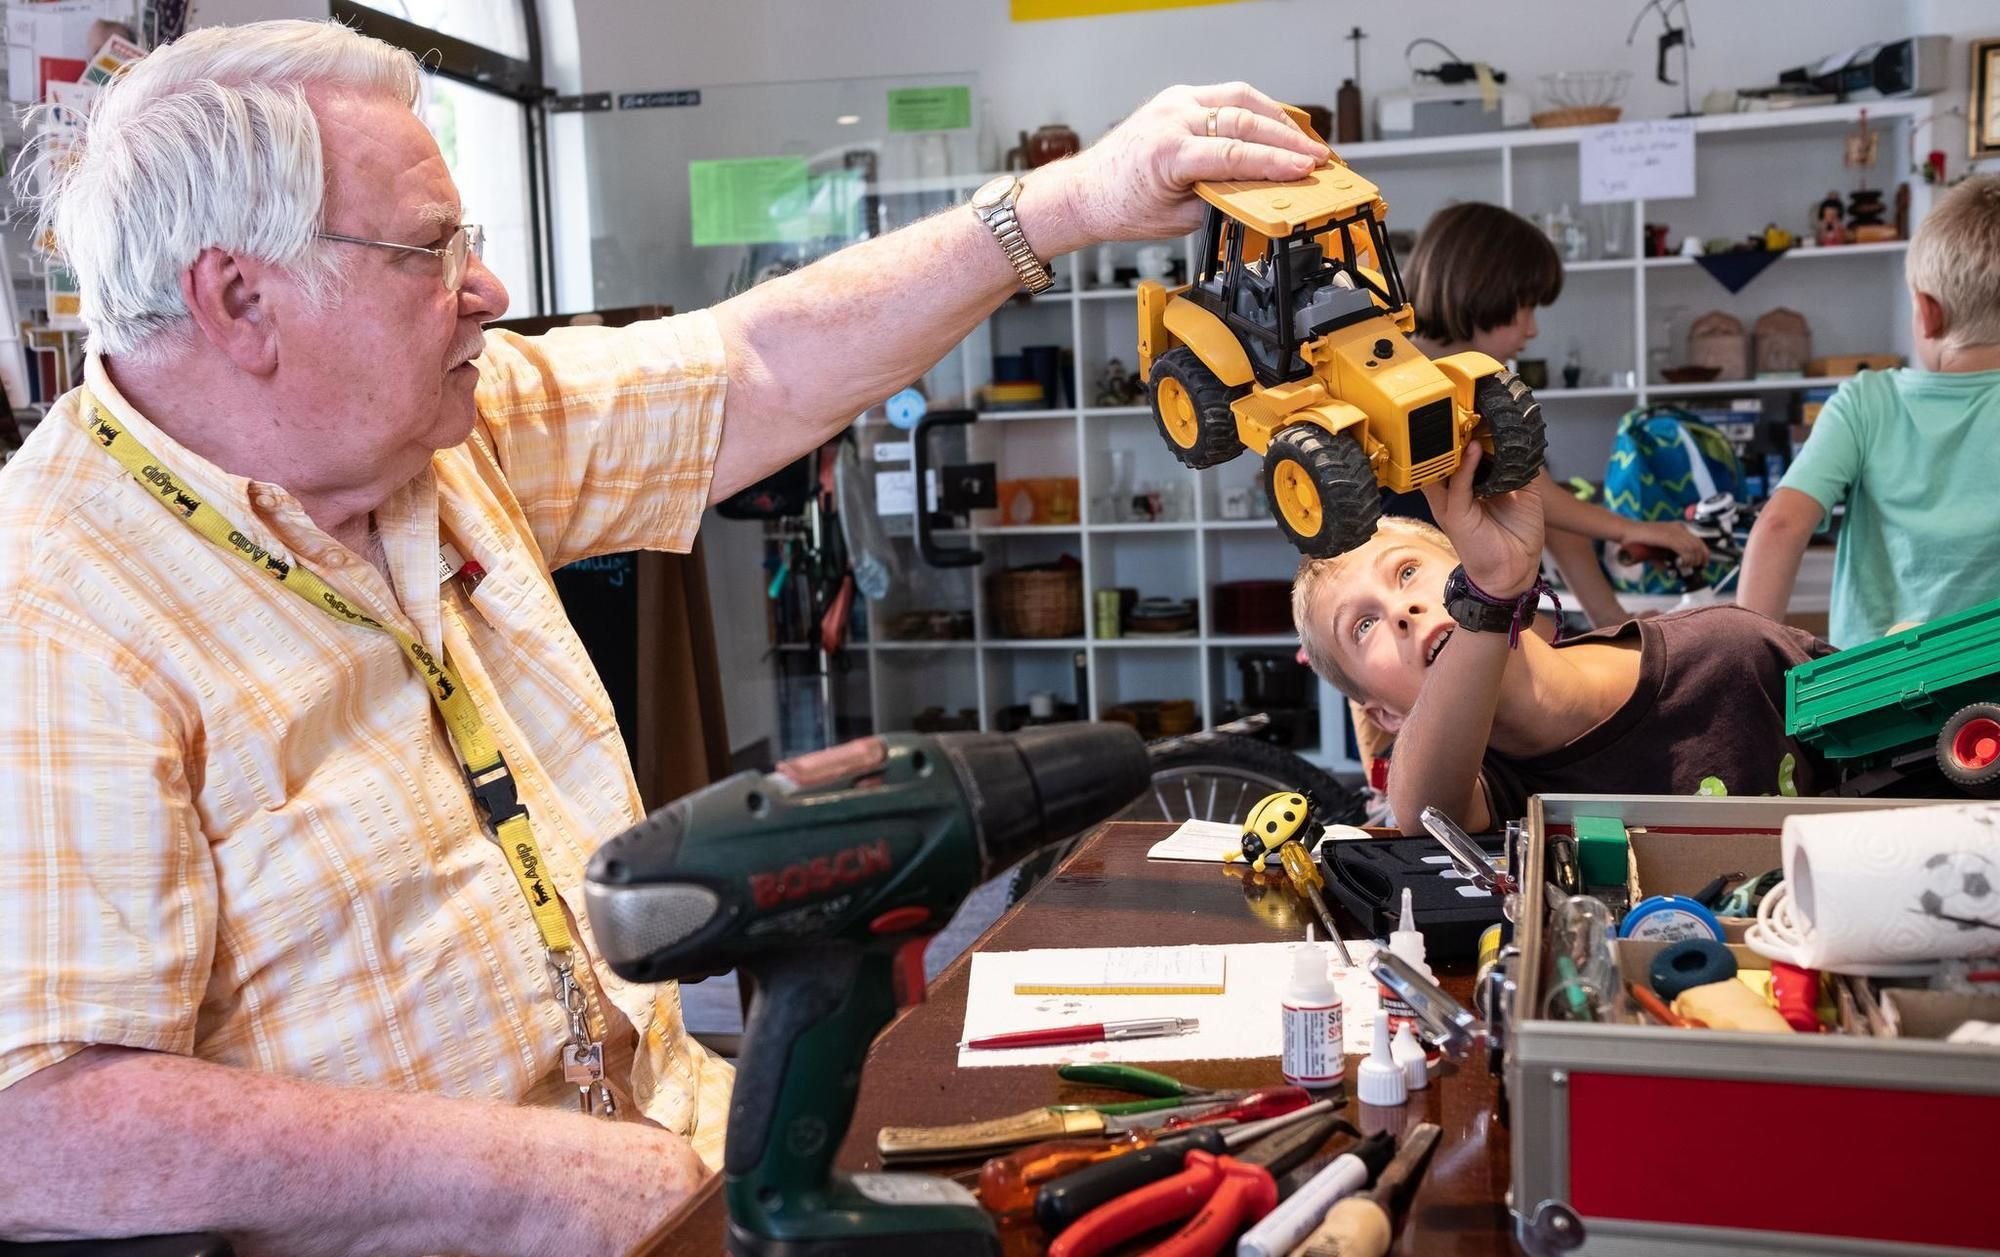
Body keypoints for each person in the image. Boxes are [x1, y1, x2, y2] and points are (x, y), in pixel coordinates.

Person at [0, 19, 1328, 1253]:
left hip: (678, 1165)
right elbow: (36, 1123)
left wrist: (1069, 204)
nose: (489, 286)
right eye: (429, 250)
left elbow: (751, 370)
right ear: (239, 299)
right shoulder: (53, 606)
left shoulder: (432, 439)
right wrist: (538, 1174)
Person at [1294, 445, 1832, 834]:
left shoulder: (1731, 650)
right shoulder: (1487, 786)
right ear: (1382, 714)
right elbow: (1424, 813)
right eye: (1363, 627)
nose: (1401, 612)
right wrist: (1490, 595)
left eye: (1407, 572)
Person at [1398, 202, 1708, 628]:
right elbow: (1542, 496)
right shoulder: (1412, 384)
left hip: (1479, 602)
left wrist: (1611, 622)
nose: (1532, 329)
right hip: (1421, 616)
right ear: (1480, 289)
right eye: (1525, 306)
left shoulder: (1481, 385)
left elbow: (1542, 505)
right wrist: (1631, 530)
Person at [1740, 175, 2000, 648]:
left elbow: (1780, 525)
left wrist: (1739, 670)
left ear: (1927, 312)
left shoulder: (1865, 402)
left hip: (1876, 695)